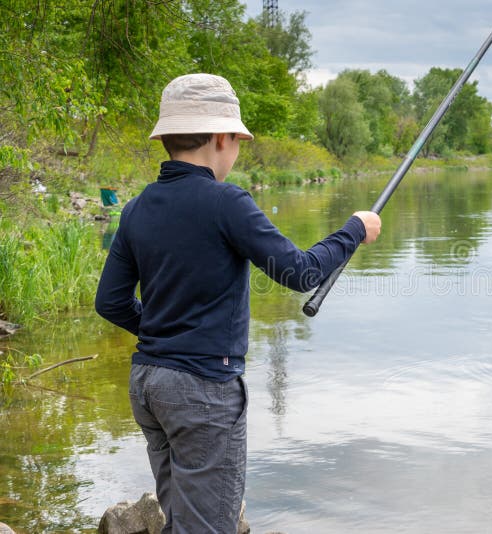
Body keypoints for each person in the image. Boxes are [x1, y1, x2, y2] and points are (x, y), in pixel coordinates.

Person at [95, 73, 381, 533]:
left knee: (180, 520)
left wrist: (159, 332)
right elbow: (300, 272)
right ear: (224, 138)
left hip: (148, 383)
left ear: (168, 138)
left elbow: (110, 302)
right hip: (202, 391)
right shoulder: (226, 202)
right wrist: (354, 230)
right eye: (238, 141)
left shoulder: (137, 207)